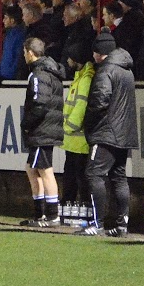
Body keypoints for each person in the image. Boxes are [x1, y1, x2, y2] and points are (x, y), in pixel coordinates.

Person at [81, 30, 136, 237]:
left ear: (99, 52)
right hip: (124, 133)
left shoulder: (105, 72)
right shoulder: (127, 70)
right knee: (119, 177)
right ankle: (122, 225)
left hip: (106, 132)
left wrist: (89, 125)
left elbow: (100, 101)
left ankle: (97, 223)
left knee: (94, 174)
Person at [18, 37, 64, 227]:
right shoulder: (49, 71)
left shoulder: (39, 74)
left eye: (24, 52)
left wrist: (27, 123)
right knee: (32, 168)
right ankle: (41, 214)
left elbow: (40, 103)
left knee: (45, 170)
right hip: (47, 128)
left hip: (42, 129)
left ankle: (51, 216)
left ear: (30, 52)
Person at [59, 50, 95, 222]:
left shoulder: (86, 79)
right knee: (70, 176)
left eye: (69, 57)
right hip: (72, 140)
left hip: (79, 139)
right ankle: (68, 208)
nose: (67, 60)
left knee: (81, 178)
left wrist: (69, 127)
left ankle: (85, 211)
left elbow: (80, 107)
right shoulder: (80, 77)